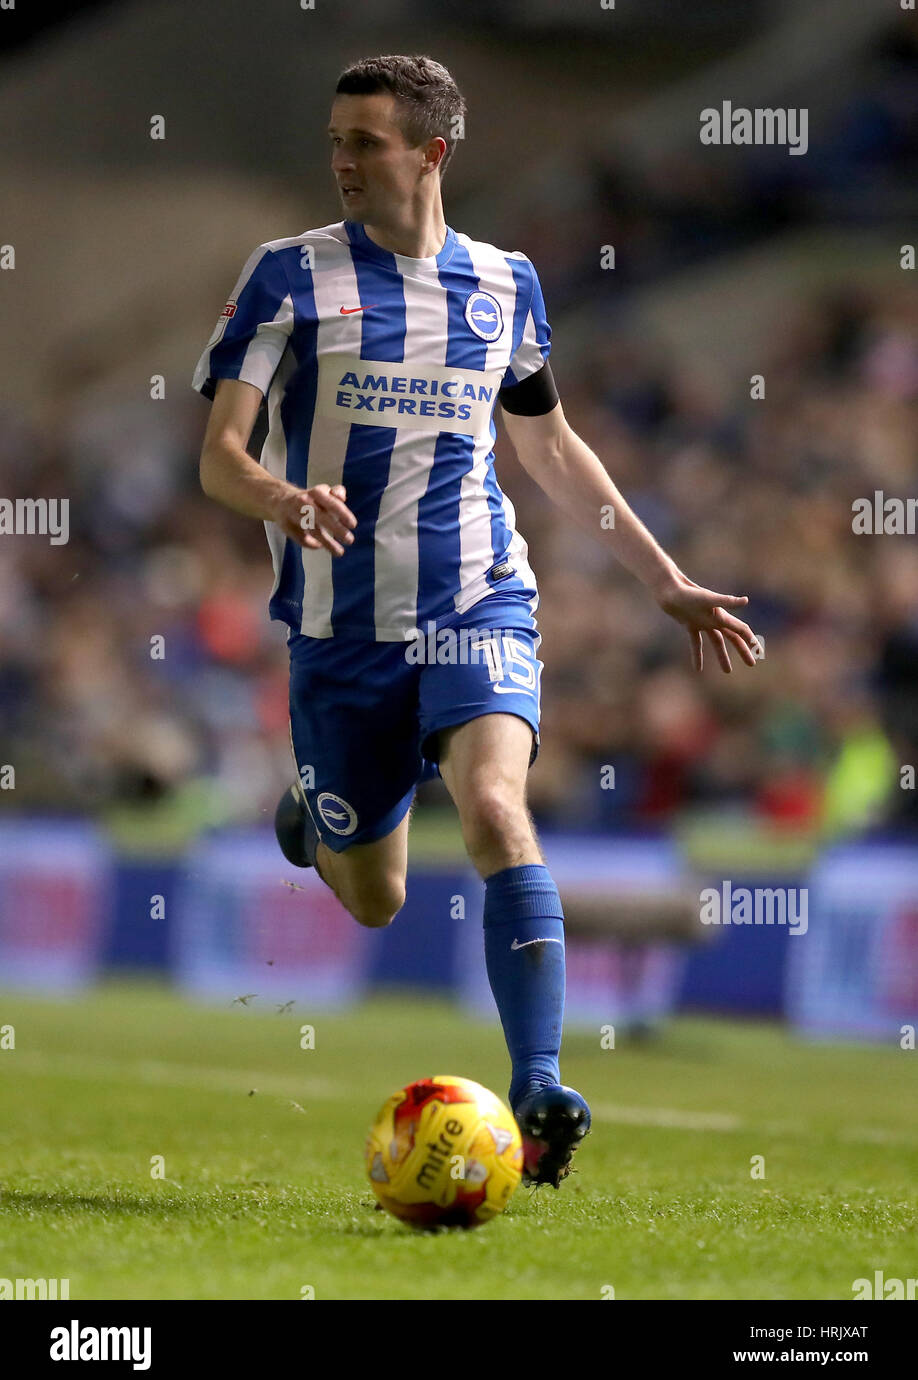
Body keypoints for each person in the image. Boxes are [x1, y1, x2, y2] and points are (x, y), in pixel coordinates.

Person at [193, 54, 758, 1188]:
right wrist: (286, 499)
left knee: (496, 803)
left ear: (431, 152)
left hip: (477, 598)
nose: (341, 159)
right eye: (336, 139)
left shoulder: (504, 284)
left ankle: (541, 1083)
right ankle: (319, 805)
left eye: (365, 140)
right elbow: (219, 458)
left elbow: (547, 444)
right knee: (374, 898)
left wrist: (661, 575)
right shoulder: (288, 277)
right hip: (342, 629)